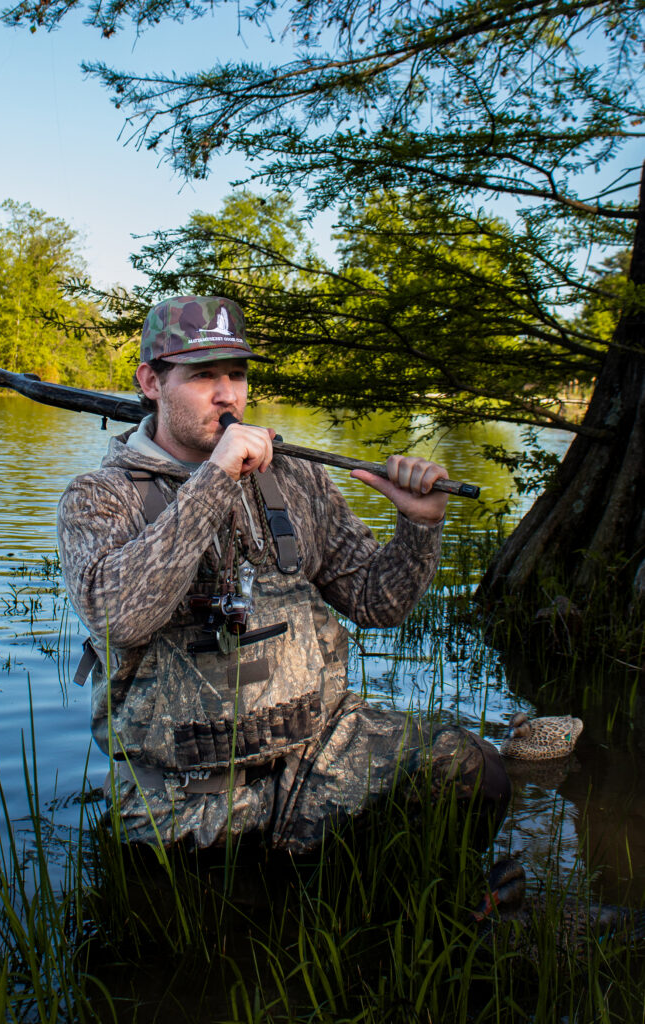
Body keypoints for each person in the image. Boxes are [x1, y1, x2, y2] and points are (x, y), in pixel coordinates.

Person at [57, 295, 509, 852]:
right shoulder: (98, 497)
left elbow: (377, 604)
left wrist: (418, 527)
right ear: (151, 381)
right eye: (203, 376)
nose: (228, 395)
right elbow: (120, 619)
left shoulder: (295, 478)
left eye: (237, 374)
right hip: (184, 798)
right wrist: (217, 476)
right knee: (239, 925)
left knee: (474, 770)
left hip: (319, 759)